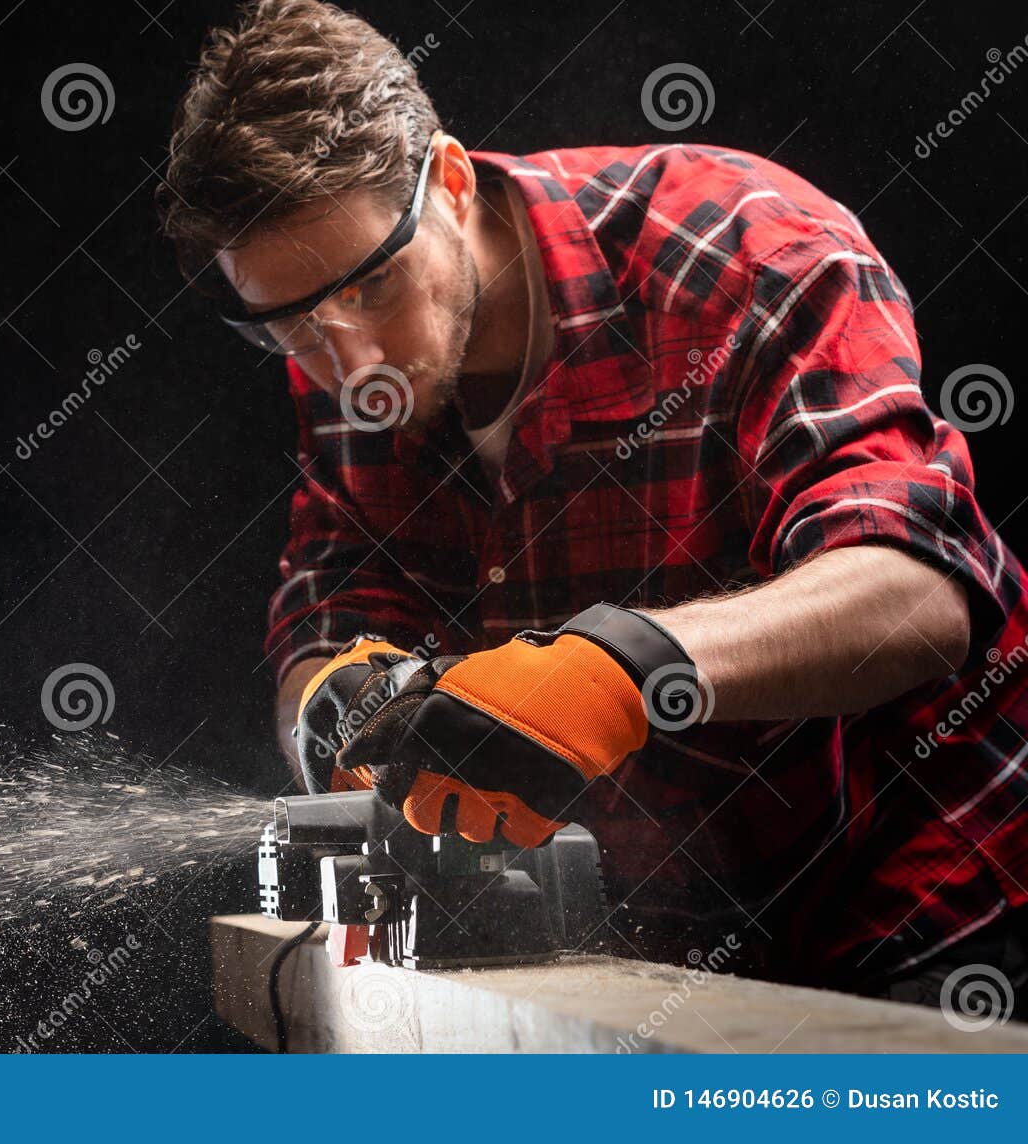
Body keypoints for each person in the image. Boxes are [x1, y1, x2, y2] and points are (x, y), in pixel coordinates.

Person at [156, 0, 1028, 1006]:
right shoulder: (338, 324)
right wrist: (333, 704)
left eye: (373, 291)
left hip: (920, 909)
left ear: (446, 181)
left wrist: (628, 668)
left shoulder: (747, 251)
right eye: (289, 329)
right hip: (666, 948)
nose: (349, 366)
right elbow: (327, 610)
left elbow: (917, 595)